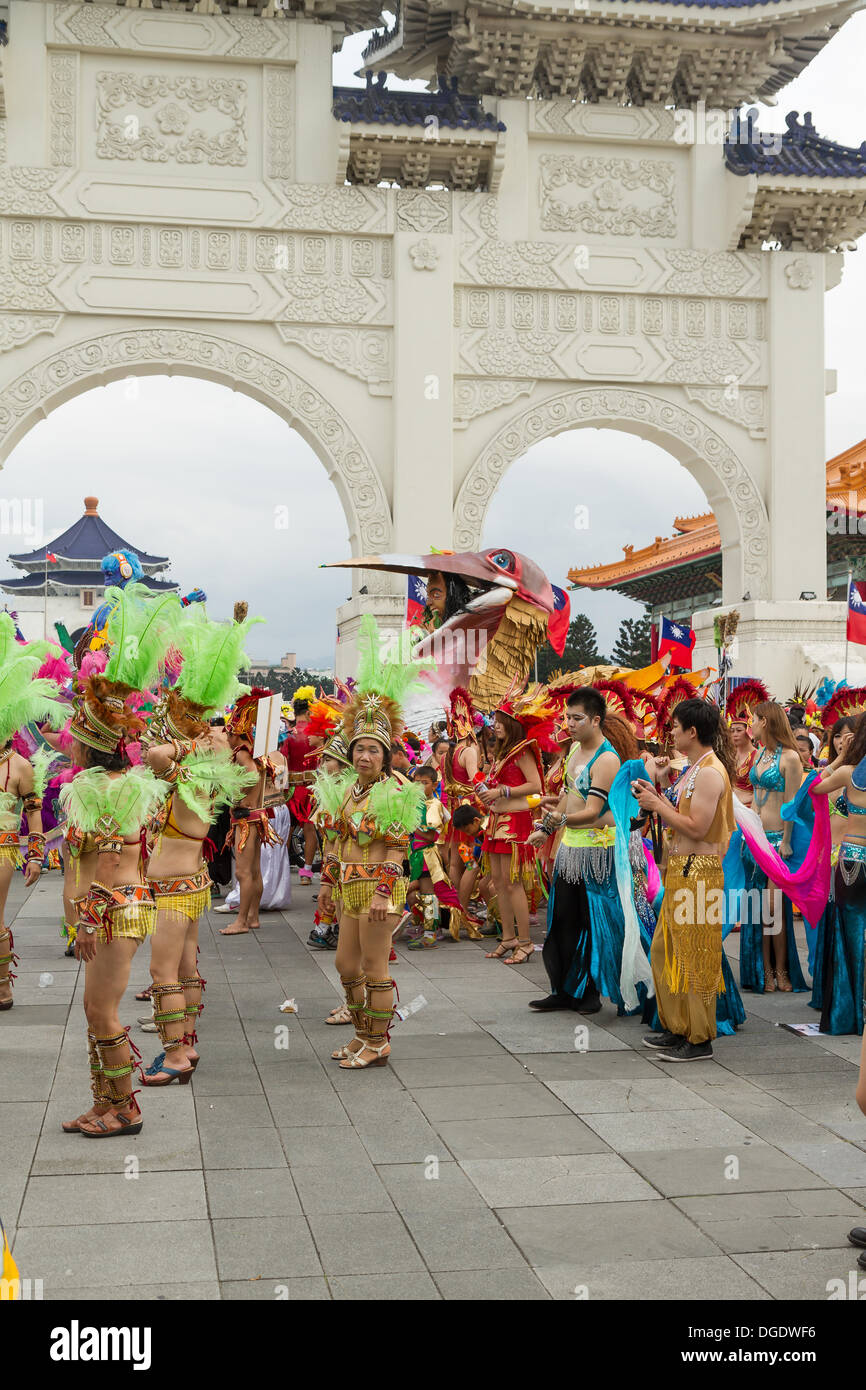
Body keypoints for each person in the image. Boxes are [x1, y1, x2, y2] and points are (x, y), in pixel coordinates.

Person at [59, 584, 179, 1135]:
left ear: (90, 747)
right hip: (116, 906)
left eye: (75, 741)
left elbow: (104, 863)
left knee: (102, 1013)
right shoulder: (113, 784)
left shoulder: (101, 790)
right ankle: (104, 1103)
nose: (69, 748)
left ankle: (125, 1109)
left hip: (113, 907)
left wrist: (83, 918)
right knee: (93, 1012)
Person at [139, 608, 259, 1084]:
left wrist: (191, 739)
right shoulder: (209, 770)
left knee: (163, 971)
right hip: (191, 881)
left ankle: (171, 1057)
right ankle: (187, 1046)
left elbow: (154, 755)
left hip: (171, 884)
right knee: (186, 967)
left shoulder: (190, 767)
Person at [314, 616, 428, 1069]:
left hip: (380, 889)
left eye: (373, 750)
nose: (364, 756)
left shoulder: (396, 790)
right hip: (347, 885)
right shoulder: (345, 790)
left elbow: (399, 848)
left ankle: (379, 1043)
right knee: (346, 965)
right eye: (359, 748)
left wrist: (384, 889)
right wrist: (326, 885)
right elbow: (336, 842)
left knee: (375, 968)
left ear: (386, 755)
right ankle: (362, 1035)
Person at [528, 686, 649, 1014]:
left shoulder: (607, 759)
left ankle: (590, 992)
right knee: (562, 921)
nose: (568, 723)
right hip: (571, 848)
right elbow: (570, 796)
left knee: (593, 922)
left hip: (597, 852)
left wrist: (555, 822)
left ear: (596, 720)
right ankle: (564, 990)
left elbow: (593, 811)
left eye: (576, 718)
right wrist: (548, 828)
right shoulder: (574, 752)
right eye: (567, 717)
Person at [634, 697, 735, 1062]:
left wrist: (658, 805)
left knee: (695, 957)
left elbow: (698, 827)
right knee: (666, 951)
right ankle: (678, 1027)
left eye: (676, 727)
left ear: (692, 732)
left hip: (700, 873)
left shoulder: (709, 772)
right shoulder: (694, 768)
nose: (671, 733)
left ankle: (699, 1038)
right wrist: (656, 793)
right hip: (681, 871)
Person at [0, 639, 67, 1009]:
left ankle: (3, 987)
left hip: (3, 848)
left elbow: (34, 815)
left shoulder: (19, 766)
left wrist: (37, 857)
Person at [739, 701, 808, 993]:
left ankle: (782, 970)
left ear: (765, 721)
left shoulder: (790, 757)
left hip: (780, 841)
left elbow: (793, 803)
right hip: (756, 839)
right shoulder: (760, 756)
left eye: (753, 719)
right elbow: (756, 796)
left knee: (775, 908)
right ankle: (764, 971)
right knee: (758, 909)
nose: (750, 724)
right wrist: (748, 833)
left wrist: (788, 841)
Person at [477, 687, 547, 966]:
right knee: (499, 883)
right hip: (495, 823)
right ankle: (508, 938)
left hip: (515, 824)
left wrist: (502, 792)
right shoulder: (502, 753)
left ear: (512, 723)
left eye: (499, 719)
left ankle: (526, 942)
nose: (494, 725)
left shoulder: (521, 752)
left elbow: (535, 787)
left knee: (513, 884)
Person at [810, 717, 866, 1034]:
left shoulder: (848, 772)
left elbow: (813, 786)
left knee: (849, 940)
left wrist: (842, 757)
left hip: (852, 862)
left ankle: (849, 1014)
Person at [220, 690, 285, 935]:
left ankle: (241, 922)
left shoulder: (243, 753)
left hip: (246, 819)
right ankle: (253, 917)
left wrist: (233, 794)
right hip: (258, 815)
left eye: (228, 733)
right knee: (254, 871)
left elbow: (249, 776)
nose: (226, 738)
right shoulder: (258, 752)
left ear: (235, 733)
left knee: (242, 872)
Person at [282, 686, 320, 886]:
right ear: (307, 712)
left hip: (290, 789)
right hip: (310, 788)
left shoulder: (287, 735)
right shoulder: (316, 735)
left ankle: (282, 870)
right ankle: (306, 871)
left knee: (285, 830)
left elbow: (282, 761)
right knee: (309, 830)